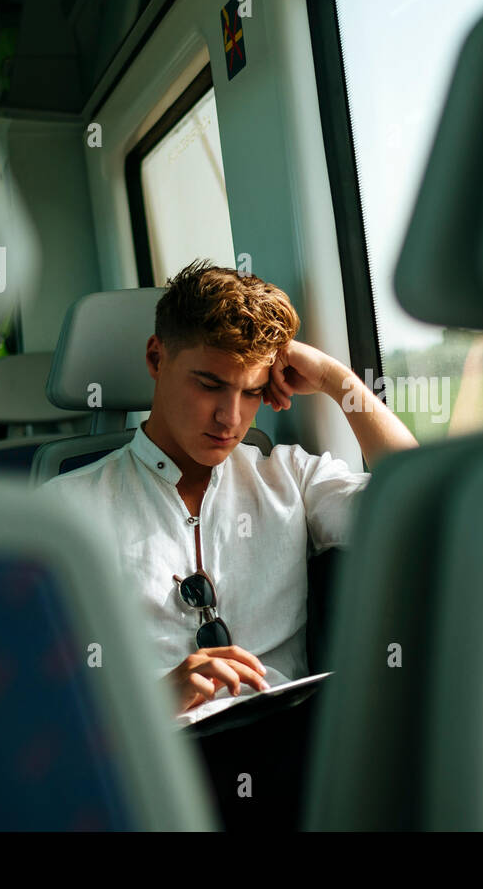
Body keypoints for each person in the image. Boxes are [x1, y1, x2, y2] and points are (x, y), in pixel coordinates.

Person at [41, 259, 418, 716]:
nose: (230, 418)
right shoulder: (62, 510)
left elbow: (420, 509)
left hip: (288, 746)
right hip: (151, 762)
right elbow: (34, 703)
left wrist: (335, 380)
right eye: (210, 385)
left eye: (252, 392)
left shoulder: (290, 479)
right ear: (156, 359)